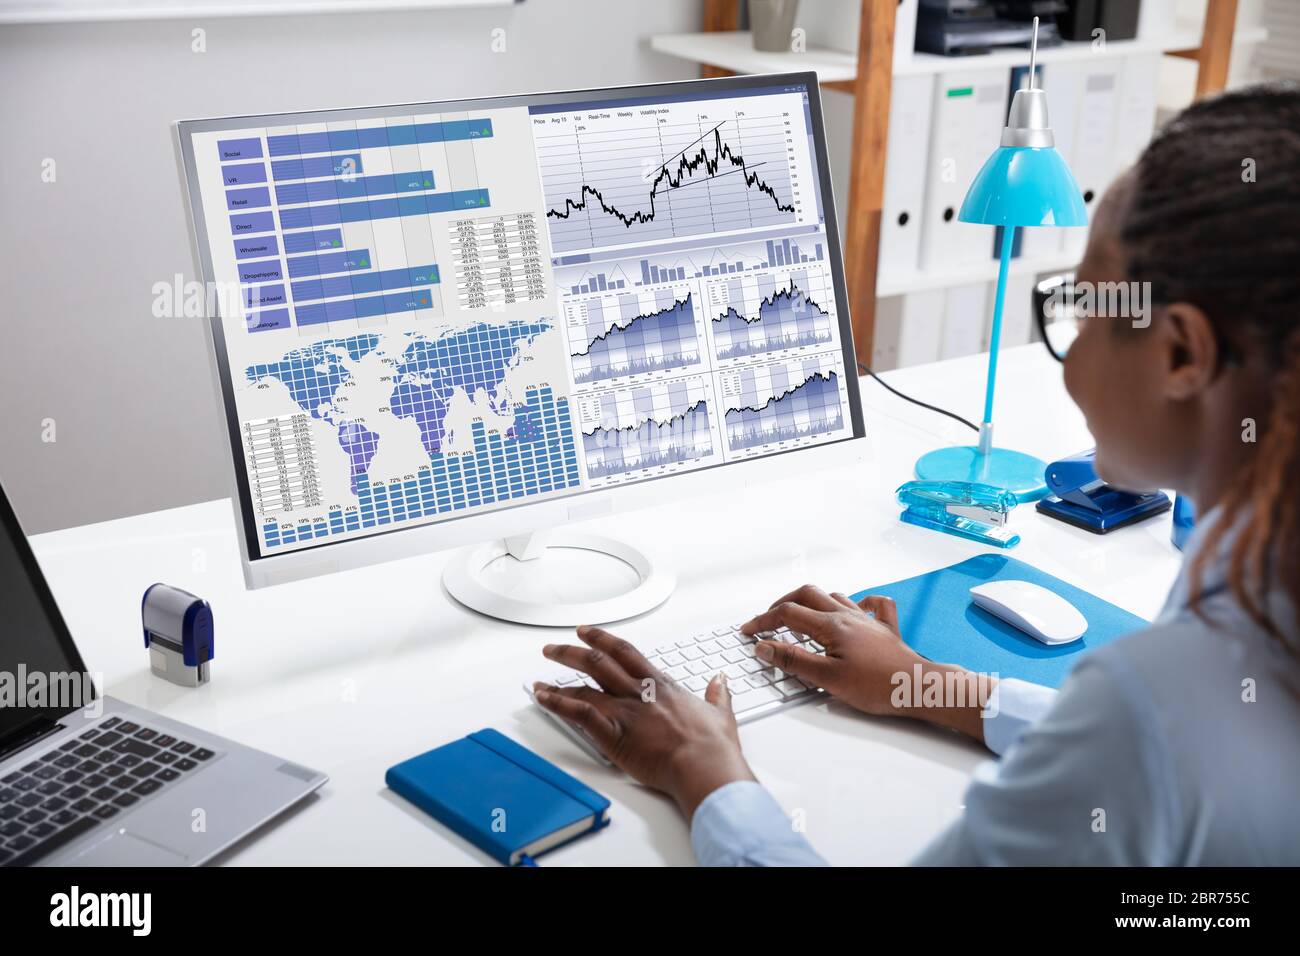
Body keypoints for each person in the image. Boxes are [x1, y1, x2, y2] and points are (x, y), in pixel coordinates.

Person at [532, 83, 1300, 865]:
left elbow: (1145, 741)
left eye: (1083, 311)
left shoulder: (1153, 707)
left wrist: (704, 770)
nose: (1070, 364)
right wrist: (928, 685)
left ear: (1180, 354)